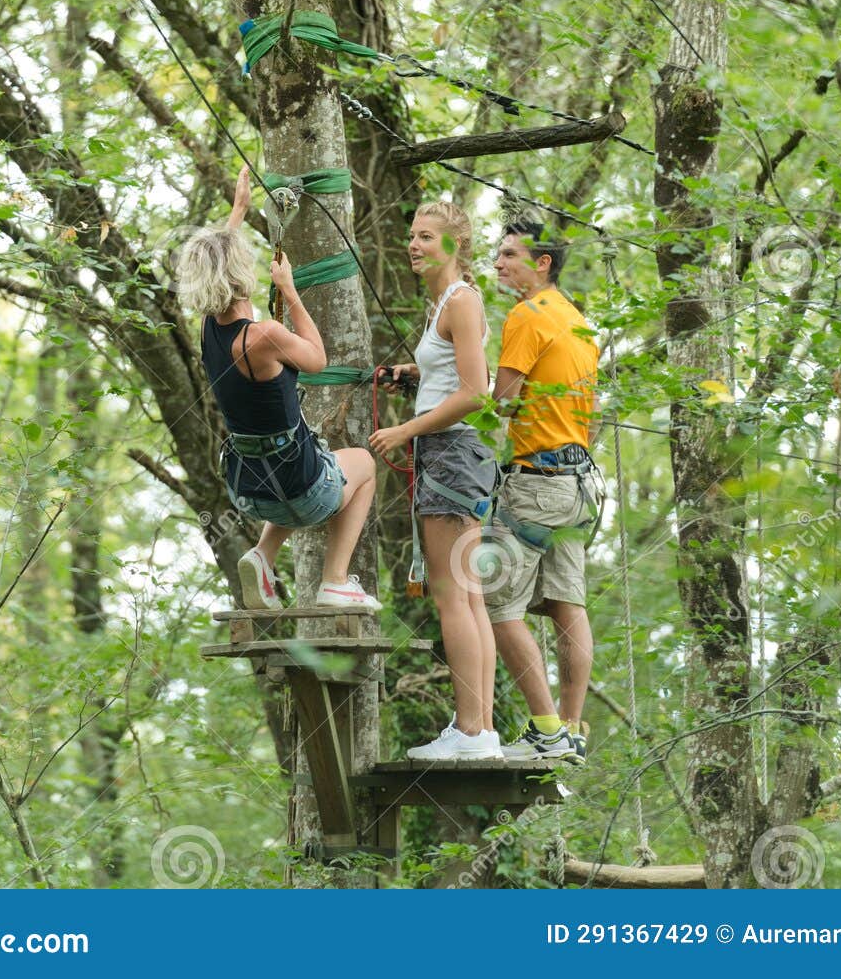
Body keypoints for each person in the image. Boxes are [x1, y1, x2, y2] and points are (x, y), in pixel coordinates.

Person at [176, 165, 380, 614]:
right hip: (300, 491)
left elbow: (217, 265)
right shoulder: (263, 336)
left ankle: (263, 555)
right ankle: (335, 581)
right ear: (239, 273)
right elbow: (318, 359)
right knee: (363, 464)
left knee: (290, 465)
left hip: (249, 489)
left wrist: (239, 211)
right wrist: (290, 290)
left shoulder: (210, 330)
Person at [370, 201, 501, 762]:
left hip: (451, 455)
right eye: (412, 235)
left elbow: (475, 392)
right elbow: (454, 371)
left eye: (426, 236)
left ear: (454, 245)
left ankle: (470, 731)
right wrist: (414, 374)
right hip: (455, 455)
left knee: (454, 596)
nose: (413, 245)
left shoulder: (462, 301)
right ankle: (480, 729)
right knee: (468, 597)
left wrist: (406, 430)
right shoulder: (447, 302)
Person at [485, 215, 601, 765]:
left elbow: (502, 401)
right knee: (565, 603)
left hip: (536, 484)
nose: (499, 263)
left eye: (510, 254)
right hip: (578, 484)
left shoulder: (527, 314)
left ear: (542, 263)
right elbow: (585, 417)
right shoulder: (577, 321)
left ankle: (546, 728)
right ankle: (572, 728)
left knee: (493, 601)